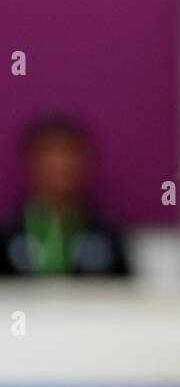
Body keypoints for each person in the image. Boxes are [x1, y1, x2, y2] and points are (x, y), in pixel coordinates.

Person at [0, 118, 129, 277]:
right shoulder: (7, 236)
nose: (60, 162)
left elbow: (127, 296)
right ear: (29, 163)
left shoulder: (107, 235)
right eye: (48, 151)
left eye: (69, 150)